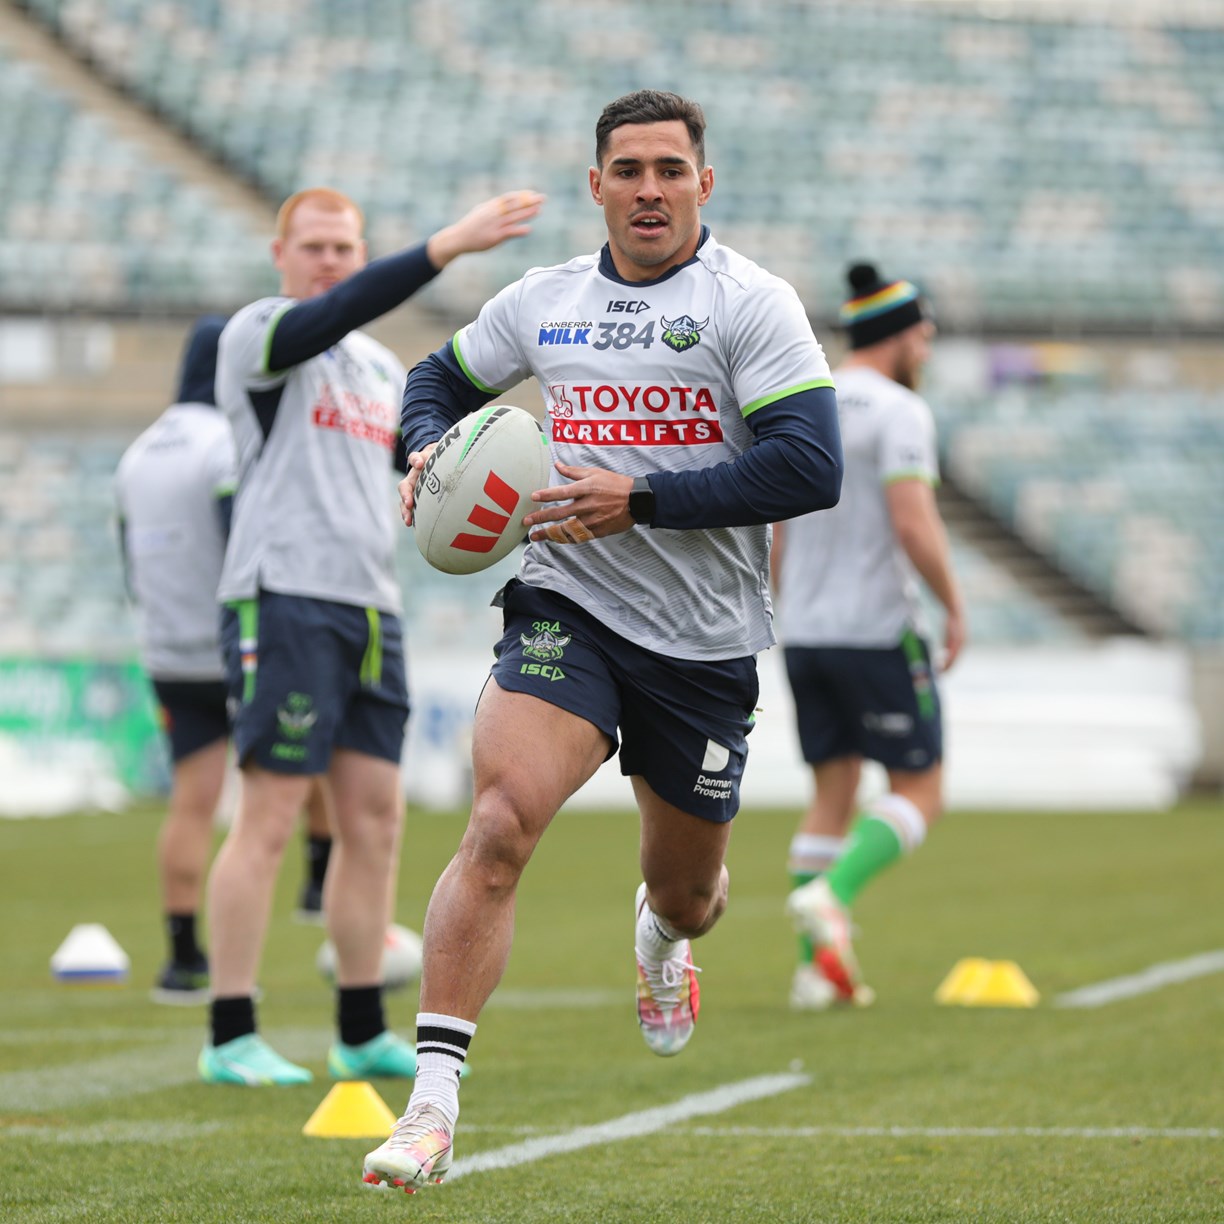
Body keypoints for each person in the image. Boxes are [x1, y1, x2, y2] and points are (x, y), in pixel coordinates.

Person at [362, 89, 844, 1193]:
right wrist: (431, 449)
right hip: (566, 604)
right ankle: (431, 1109)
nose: (650, 190)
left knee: (691, 893)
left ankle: (664, 938)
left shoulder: (750, 304)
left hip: (705, 641)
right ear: (597, 185)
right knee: (499, 822)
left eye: (671, 170)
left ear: (703, 184)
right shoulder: (544, 300)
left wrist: (643, 498)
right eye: (628, 170)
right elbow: (433, 380)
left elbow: (810, 468)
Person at [199, 185, 545, 1085]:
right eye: (313, 246)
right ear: (282, 254)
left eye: (343, 248)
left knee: (376, 821)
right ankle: (230, 1031)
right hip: (284, 598)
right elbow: (341, 311)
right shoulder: (260, 335)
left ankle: (359, 1027)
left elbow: (423, 471)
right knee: (268, 816)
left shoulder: (379, 372)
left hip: (368, 610)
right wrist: (447, 245)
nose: (329, 263)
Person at [115, 316, 335, 1004]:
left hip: (167, 650)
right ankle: (317, 886)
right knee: (299, 760)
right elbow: (244, 535)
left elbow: (128, 563)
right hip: (234, 638)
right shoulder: (223, 445)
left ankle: (182, 959)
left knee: (191, 801)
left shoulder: (136, 454)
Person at [778, 262, 967, 1009]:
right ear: (896, 335)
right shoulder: (899, 410)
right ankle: (832, 895)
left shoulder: (806, 404)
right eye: (921, 333)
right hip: (877, 630)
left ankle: (810, 973)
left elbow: (778, 532)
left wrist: (784, 609)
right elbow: (913, 521)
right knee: (922, 788)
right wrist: (955, 606)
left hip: (805, 629)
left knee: (833, 789)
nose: (925, 347)